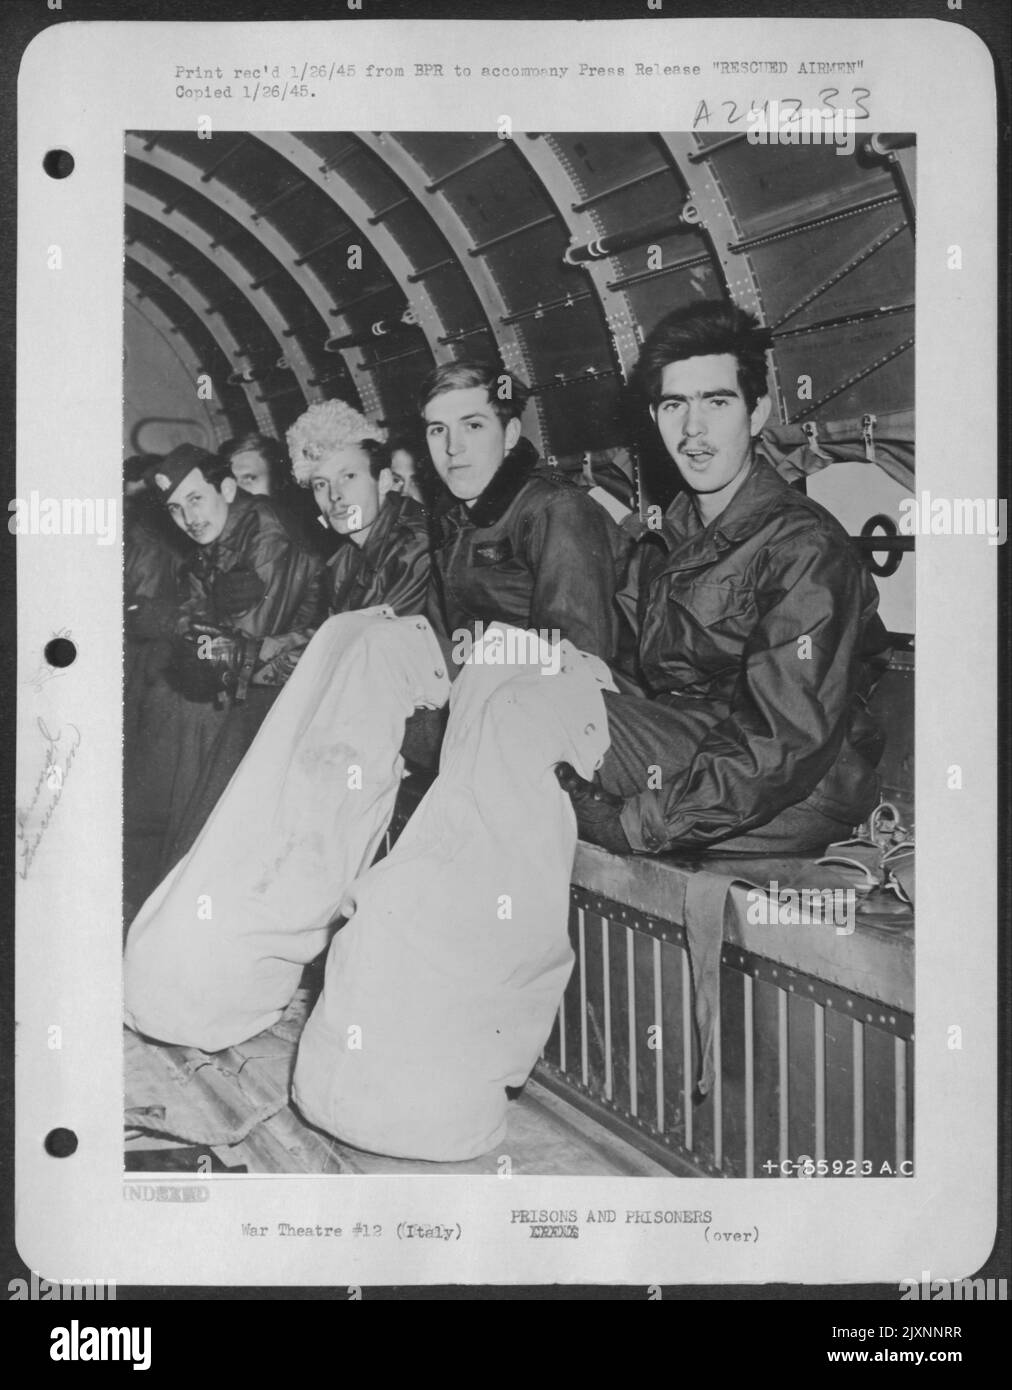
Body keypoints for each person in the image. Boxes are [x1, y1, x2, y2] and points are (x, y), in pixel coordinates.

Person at [559, 299, 890, 856]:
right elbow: (657, 680)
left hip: (797, 792)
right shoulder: (669, 535)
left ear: (757, 413)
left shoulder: (804, 546)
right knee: (510, 686)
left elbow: (786, 737)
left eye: (716, 401)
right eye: (673, 405)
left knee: (529, 709)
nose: (693, 429)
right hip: (700, 747)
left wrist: (641, 822)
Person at [125, 443, 324, 892]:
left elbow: (241, 650)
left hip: (284, 684)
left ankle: (184, 872)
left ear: (228, 488)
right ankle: (158, 865)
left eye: (196, 499)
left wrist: (177, 623)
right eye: (176, 509)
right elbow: (201, 621)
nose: (188, 518)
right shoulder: (215, 536)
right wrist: (184, 625)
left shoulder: (266, 533)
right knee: (160, 680)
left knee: (186, 701)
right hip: (245, 675)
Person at [251, 401, 431, 685]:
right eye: (321, 484)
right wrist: (253, 651)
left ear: (383, 481)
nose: (335, 496)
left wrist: (252, 667)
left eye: (348, 476)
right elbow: (329, 633)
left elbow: (362, 648)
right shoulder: (347, 557)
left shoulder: (415, 546)